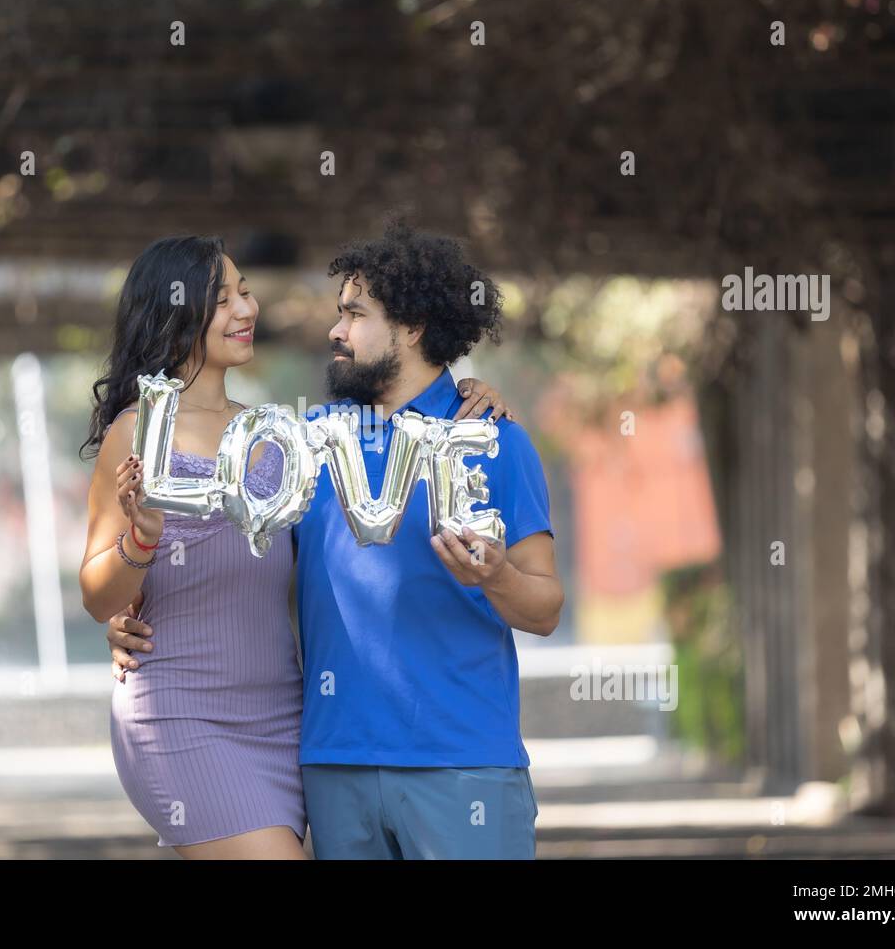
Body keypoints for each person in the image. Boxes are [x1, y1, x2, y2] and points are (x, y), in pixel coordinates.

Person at [110, 220, 564, 859]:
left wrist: (496, 578)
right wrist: (135, 614)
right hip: (331, 768)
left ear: (411, 327)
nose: (334, 331)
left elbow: (545, 608)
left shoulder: (494, 441)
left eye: (353, 314)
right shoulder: (305, 446)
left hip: (463, 767)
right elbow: (222, 554)